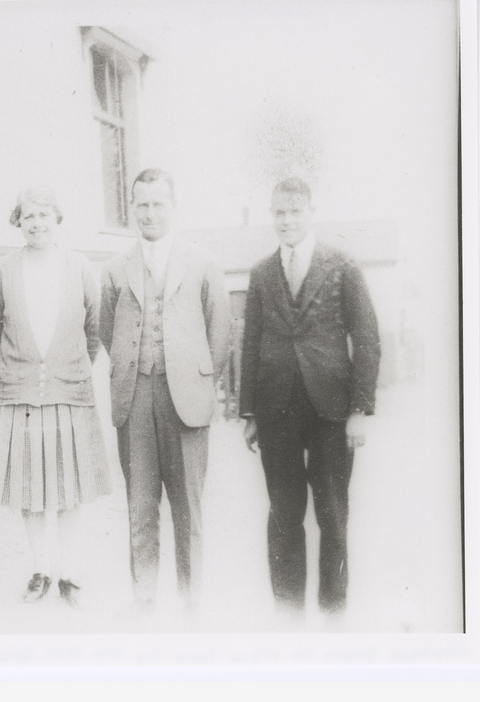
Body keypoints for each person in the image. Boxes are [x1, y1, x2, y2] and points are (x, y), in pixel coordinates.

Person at [240, 177, 380, 615]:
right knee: (283, 511)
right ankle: (288, 609)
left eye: (294, 211)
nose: (286, 220)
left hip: (331, 410)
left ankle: (334, 609)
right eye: (279, 212)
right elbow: (251, 342)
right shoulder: (262, 272)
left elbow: (368, 338)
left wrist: (359, 409)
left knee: (333, 513)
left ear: (311, 211)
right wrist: (249, 411)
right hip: (276, 408)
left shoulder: (342, 265)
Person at [99, 168, 230, 609]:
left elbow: (220, 334)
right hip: (134, 397)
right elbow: (106, 331)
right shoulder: (116, 269)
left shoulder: (203, 263)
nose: (149, 213)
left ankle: (192, 601)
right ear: (132, 208)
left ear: (173, 207)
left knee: (188, 507)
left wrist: (196, 379)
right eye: (141, 204)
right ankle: (143, 597)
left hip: (186, 400)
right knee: (140, 503)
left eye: (158, 204)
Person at [0, 187, 111, 607]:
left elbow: (94, 331)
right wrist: (18, 368)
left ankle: (68, 572)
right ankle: (40, 569)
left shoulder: (80, 268)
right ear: (17, 221)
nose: (36, 223)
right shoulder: (1, 271)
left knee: (69, 488)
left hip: (69, 392)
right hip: (20, 394)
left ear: (58, 219)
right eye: (28, 215)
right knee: (29, 488)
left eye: (44, 215)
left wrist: (67, 368)